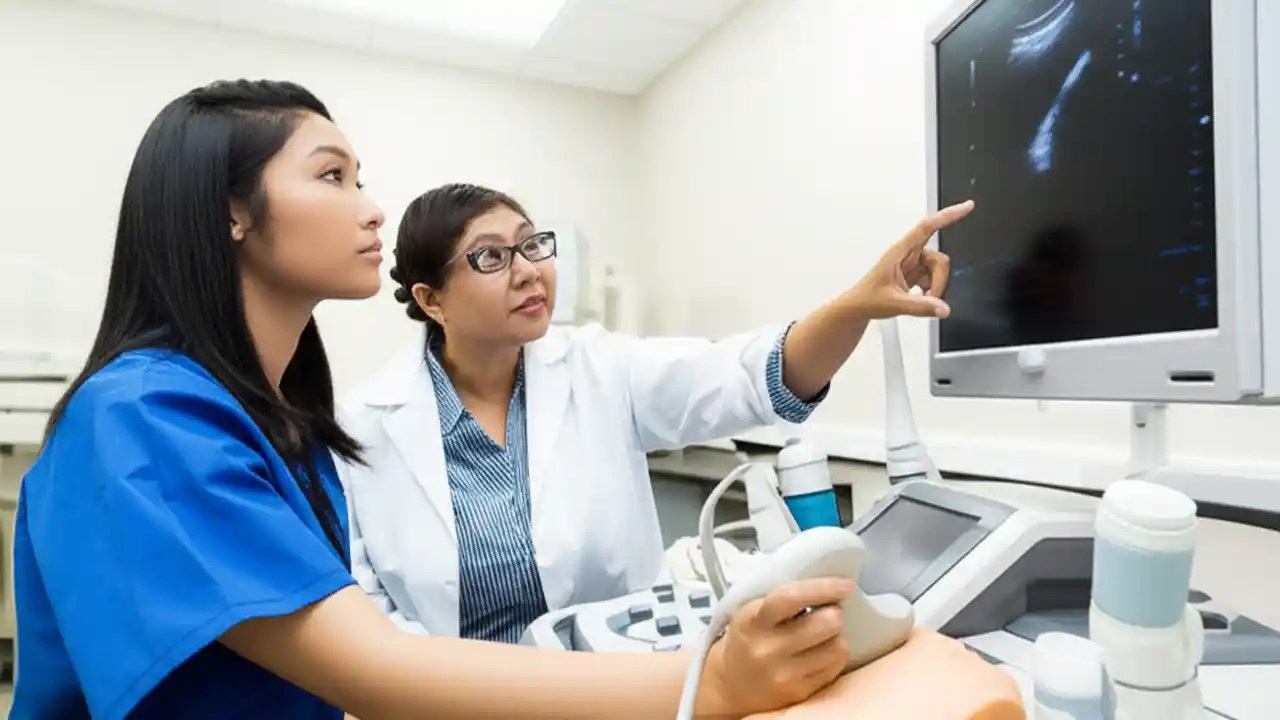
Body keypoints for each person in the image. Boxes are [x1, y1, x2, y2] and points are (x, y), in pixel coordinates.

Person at [13, 79, 866, 720]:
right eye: (334, 177)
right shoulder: (149, 420)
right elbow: (372, 666)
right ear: (233, 212)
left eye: (533, 246)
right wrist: (706, 684)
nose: (371, 207)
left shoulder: (283, 430)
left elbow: (734, 374)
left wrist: (853, 309)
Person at [338, 183, 972, 643]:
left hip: (618, 692)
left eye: (533, 245)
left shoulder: (599, 368)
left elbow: (752, 375)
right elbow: (370, 620)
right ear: (432, 300)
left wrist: (857, 305)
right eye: (491, 256)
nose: (529, 270)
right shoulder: (362, 423)